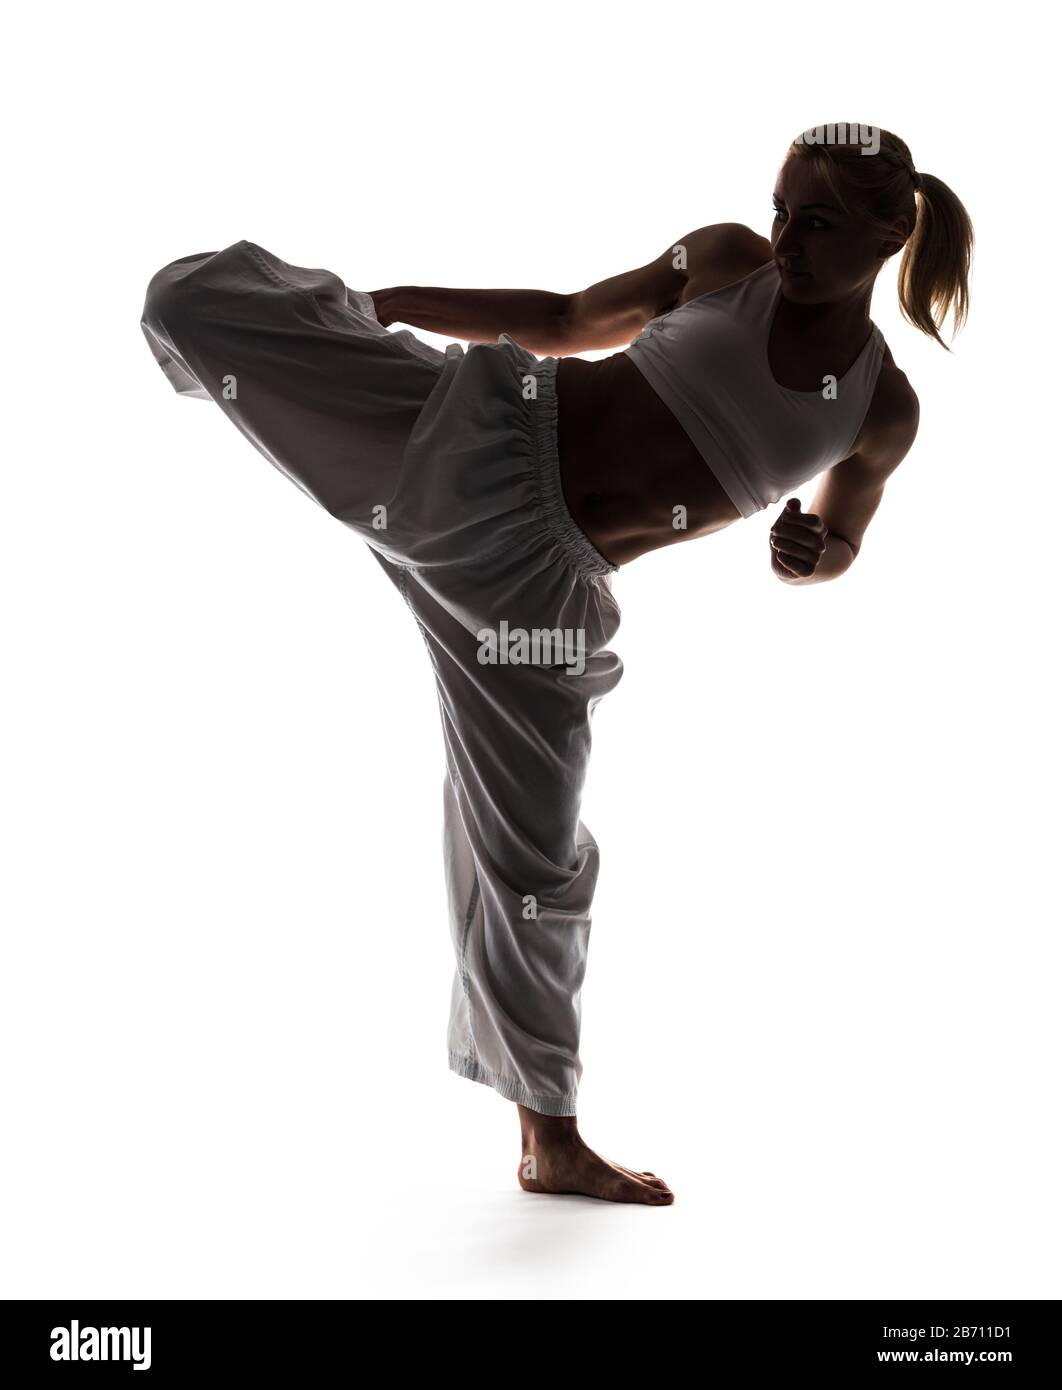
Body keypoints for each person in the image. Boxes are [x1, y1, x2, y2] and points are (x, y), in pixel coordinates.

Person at [140, 126, 972, 1206]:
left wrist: (816, 555)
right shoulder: (724, 264)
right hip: (477, 442)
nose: (785, 239)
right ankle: (240, 353)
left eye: (815, 222)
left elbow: (842, 538)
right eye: (779, 209)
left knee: (537, 867)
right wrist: (392, 301)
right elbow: (569, 321)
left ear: (893, 232)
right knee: (195, 300)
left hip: (536, 600)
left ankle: (550, 1141)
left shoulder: (880, 411)